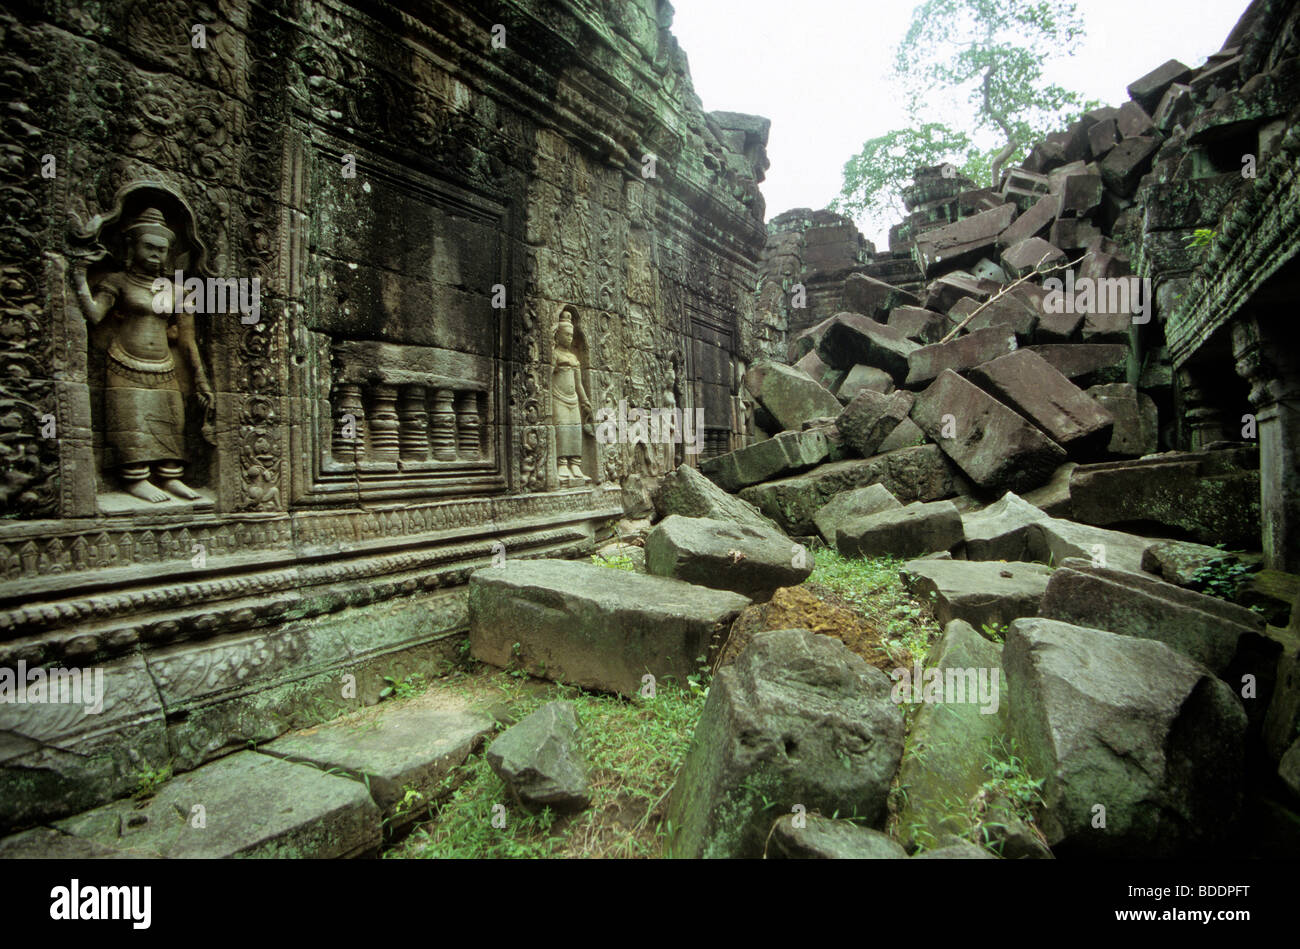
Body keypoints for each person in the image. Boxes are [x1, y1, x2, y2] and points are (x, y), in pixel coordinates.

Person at [72, 207, 212, 502]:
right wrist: (79, 274)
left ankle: (171, 475)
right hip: (124, 361)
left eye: (161, 250)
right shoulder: (118, 281)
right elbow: (95, 315)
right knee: (130, 420)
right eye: (148, 247)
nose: (155, 255)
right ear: (132, 247)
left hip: (164, 366)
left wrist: (201, 380)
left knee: (170, 420)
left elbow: (187, 340)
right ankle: (136, 478)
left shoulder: (179, 291)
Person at [551, 308, 592, 487]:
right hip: (558, 397)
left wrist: (585, 401)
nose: (569, 338)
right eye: (566, 334)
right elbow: (548, 375)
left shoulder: (574, 357)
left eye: (571, 335)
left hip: (573, 398)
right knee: (562, 430)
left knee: (575, 430)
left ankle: (575, 464)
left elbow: (579, 384)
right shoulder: (555, 354)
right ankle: (562, 464)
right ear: (558, 335)